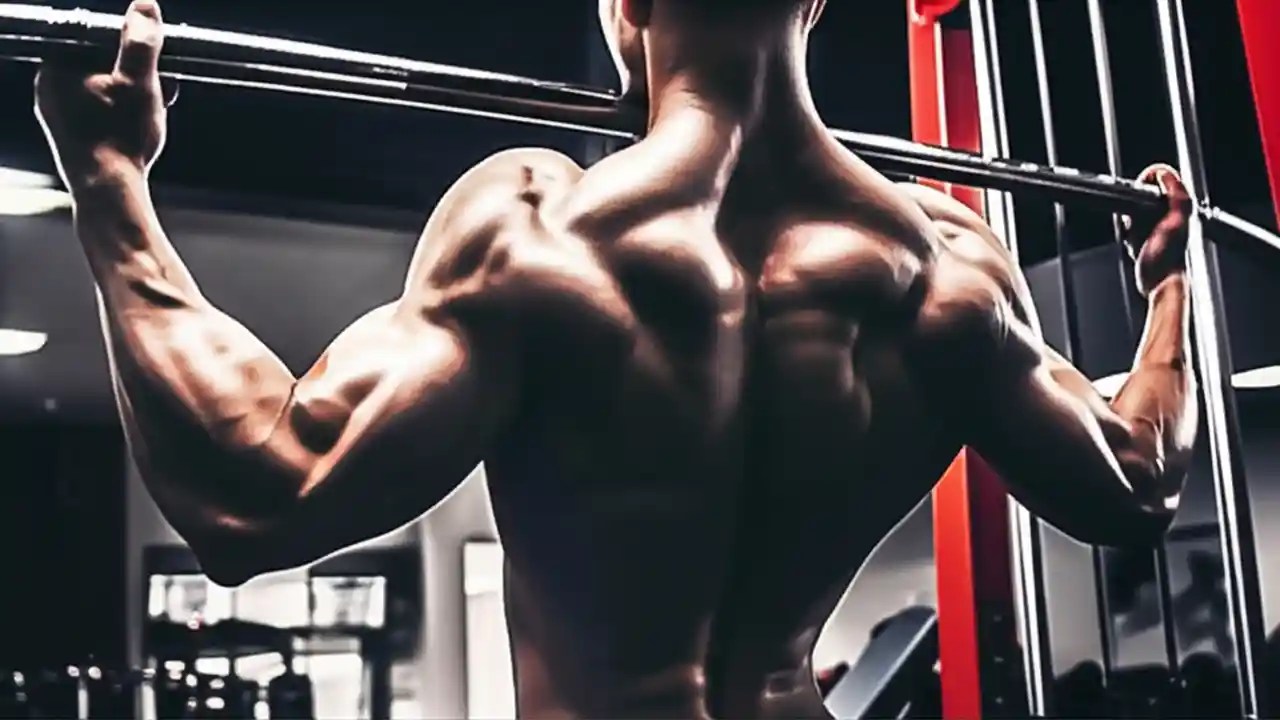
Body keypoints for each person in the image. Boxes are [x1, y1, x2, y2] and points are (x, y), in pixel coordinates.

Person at [34, 0, 1196, 717]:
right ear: (815, 7)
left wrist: (110, 187)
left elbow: (256, 495)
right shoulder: (949, 269)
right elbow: (1137, 481)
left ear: (622, 8)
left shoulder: (540, 233)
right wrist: (1166, 288)